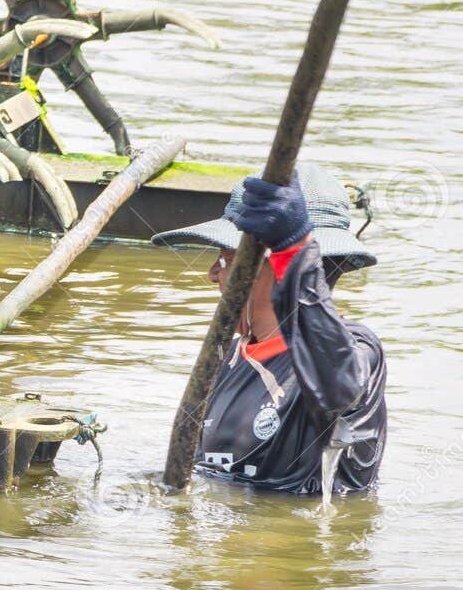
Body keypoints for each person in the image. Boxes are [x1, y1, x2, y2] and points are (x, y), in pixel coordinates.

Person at [151, 164, 385, 496]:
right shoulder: (228, 355)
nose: (211, 275)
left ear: (273, 268)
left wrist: (293, 251)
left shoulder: (359, 352)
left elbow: (339, 383)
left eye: (224, 260)